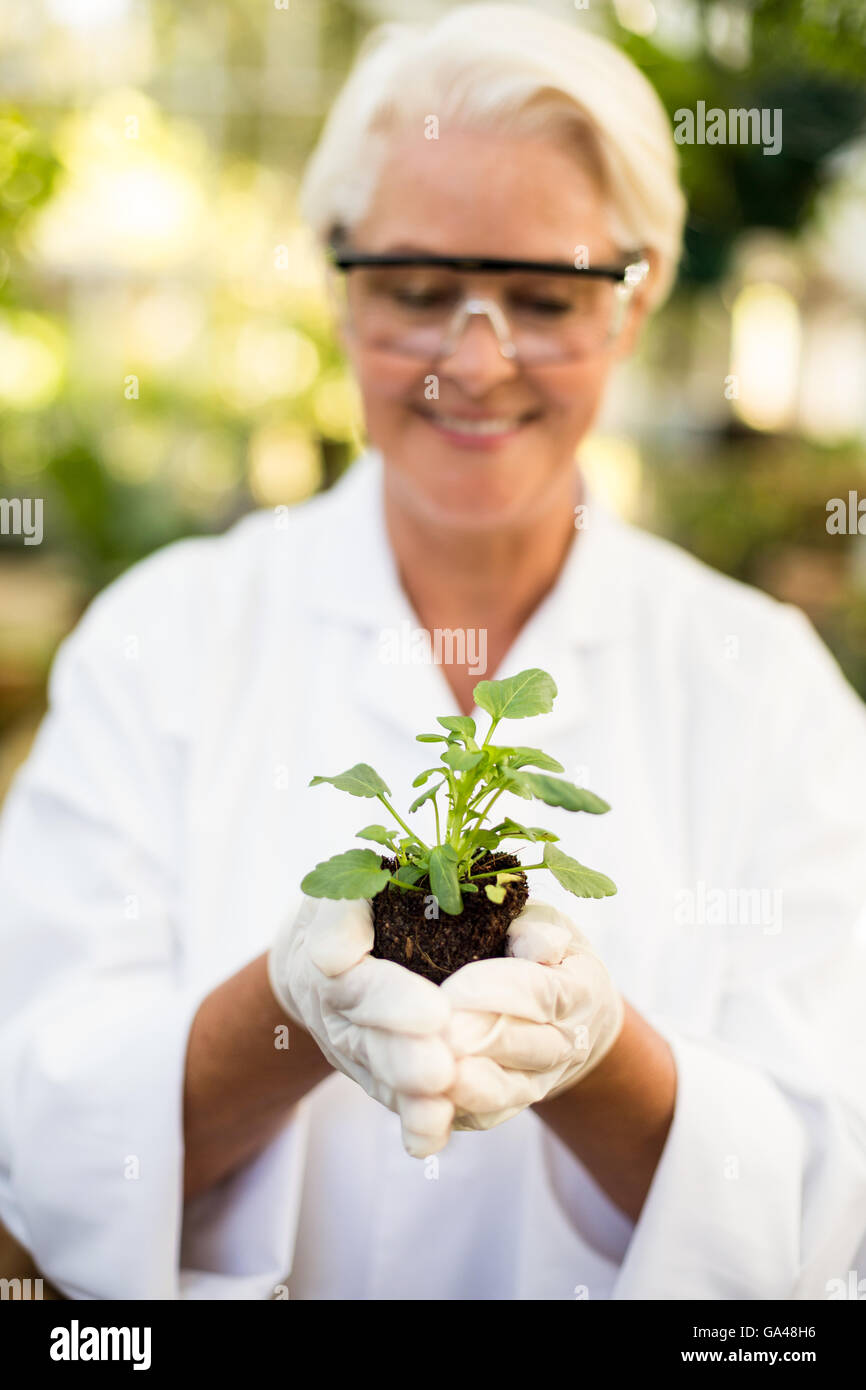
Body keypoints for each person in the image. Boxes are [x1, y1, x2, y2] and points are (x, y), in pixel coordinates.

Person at [1, 4, 866, 1301]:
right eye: (416, 289)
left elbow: (817, 1200)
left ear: (632, 303)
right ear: (338, 279)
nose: (475, 358)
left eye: (542, 293)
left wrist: (594, 1052)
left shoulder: (763, 685)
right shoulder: (161, 641)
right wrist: (290, 1009)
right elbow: (45, 1139)